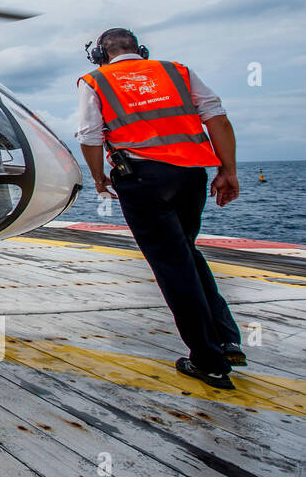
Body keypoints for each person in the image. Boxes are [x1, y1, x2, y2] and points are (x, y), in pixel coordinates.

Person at [76, 28, 242, 389]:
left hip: (141, 178)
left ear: (99, 55)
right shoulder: (177, 71)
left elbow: (90, 135)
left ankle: (209, 360)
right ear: (142, 50)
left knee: (171, 264)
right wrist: (227, 170)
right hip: (190, 177)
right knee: (185, 251)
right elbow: (217, 116)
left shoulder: (94, 80)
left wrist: (99, 177)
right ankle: (226, 340)